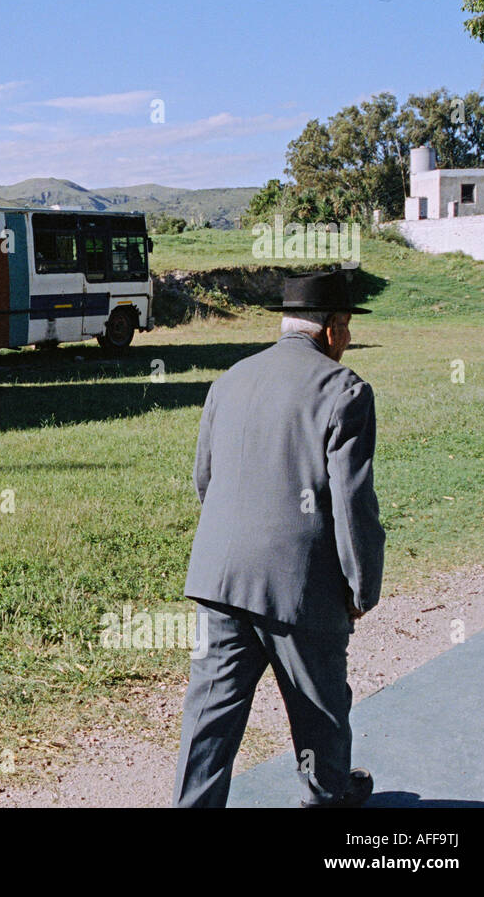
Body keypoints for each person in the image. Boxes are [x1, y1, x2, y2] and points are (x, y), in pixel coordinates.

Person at [173, 269, 386, 808]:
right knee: (319, 706)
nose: (349, 340)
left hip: (220, 576)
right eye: (348, 327)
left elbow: (206, 478)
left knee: (210, 716)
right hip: (298, 584)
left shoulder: (231, 380)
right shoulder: (345, 391)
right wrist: (361, 589)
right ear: (333, 327)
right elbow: (352, 505)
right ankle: (330, 794)